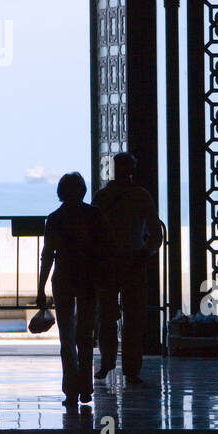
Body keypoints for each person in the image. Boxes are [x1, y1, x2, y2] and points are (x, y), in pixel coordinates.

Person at [37, 172, 109, 407]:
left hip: (64, 279)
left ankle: (71, 390)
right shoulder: (94, 215)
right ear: (82, 190)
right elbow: (104, 250)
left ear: (61, 192)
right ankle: (86, 388)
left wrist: (40, 288)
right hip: (89, 279)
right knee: (85, 336)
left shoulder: (55, 218)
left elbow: (48, 255)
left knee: (66, 338)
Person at [91, 152, 163, 385]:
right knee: (134, 318)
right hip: (134, 261)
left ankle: (107, 363)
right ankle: (131, 369)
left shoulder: (103, 196)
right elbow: (155, 233)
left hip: (108, 262)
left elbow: (95, 232)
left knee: (107, 316)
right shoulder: (141, 196)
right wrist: (144, 253)